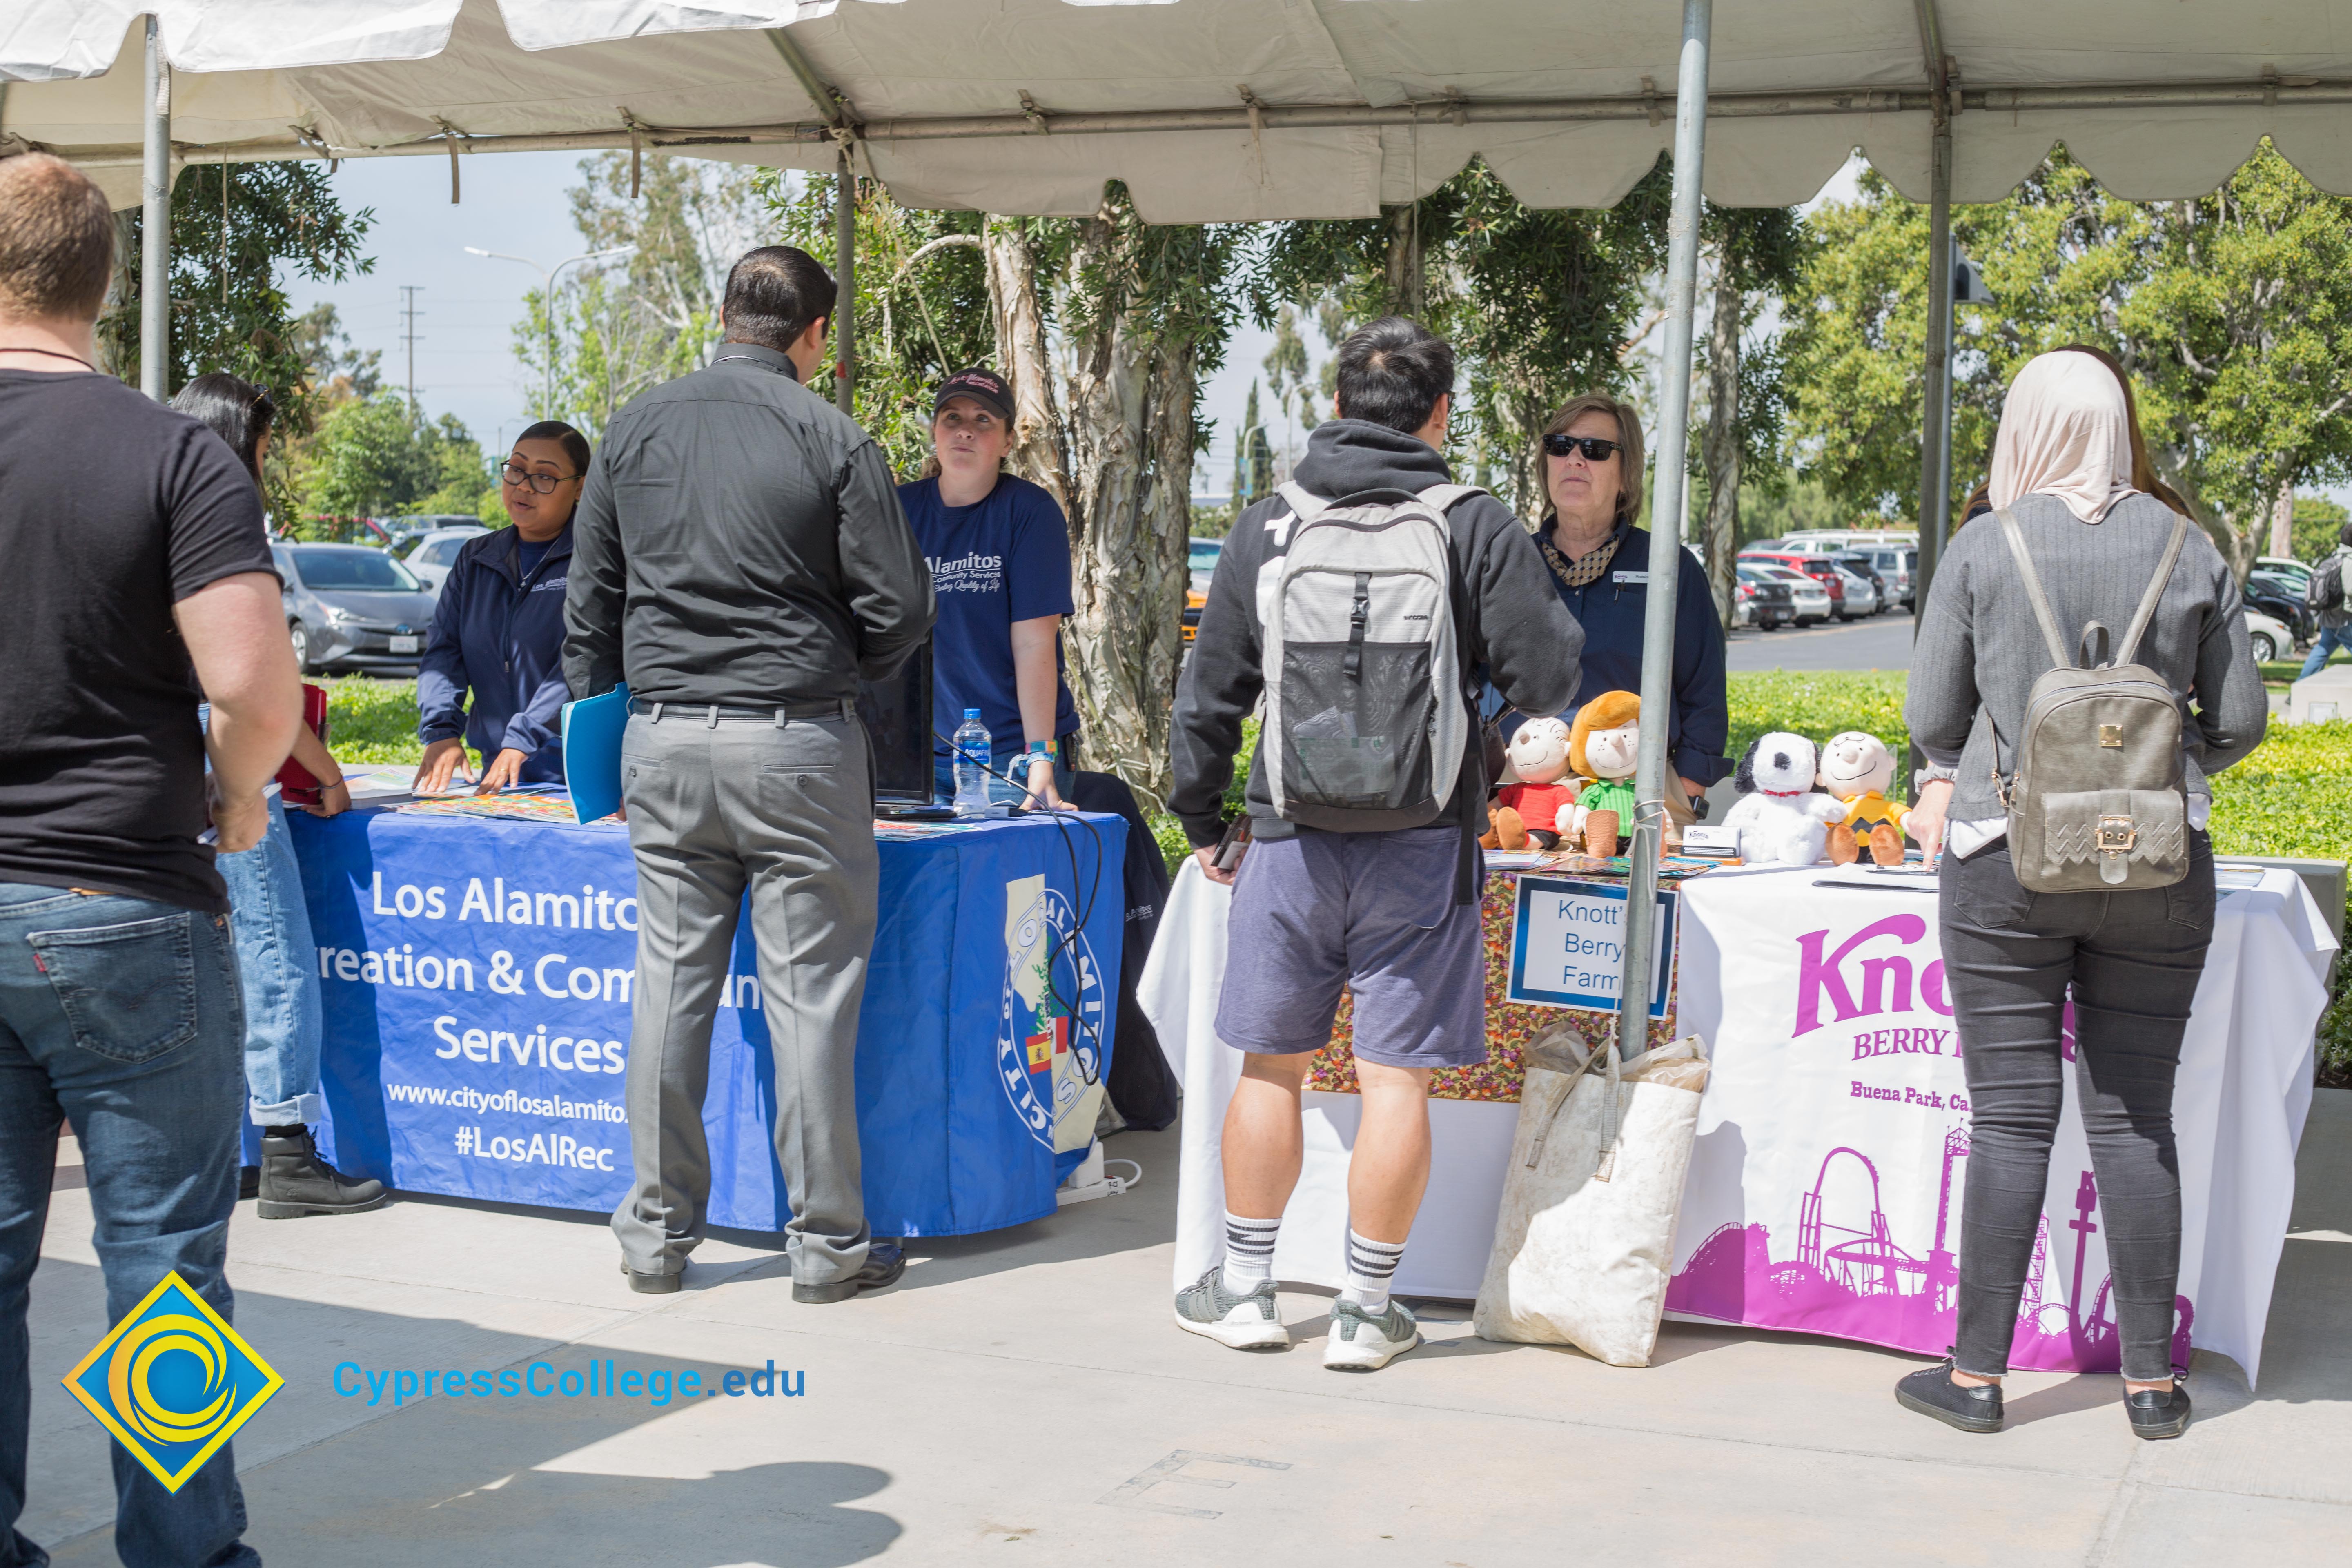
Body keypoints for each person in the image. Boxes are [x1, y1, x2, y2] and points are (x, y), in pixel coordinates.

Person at [1167, 317, 1583, 1370]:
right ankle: (1362, 1309)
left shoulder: (1269, 522)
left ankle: (1250, 1287)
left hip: (1288, 839)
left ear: (1339, 404)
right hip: (1419, 841)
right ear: (1440, 413)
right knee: (1395, 1078)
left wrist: (1207, 821)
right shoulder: (1469, 522)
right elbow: (1549, 674)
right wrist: (1476, 725)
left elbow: (1208, 694)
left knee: (1271, 1066)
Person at [0, 154, 296, 1568]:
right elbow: (254, 688)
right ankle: (184, 1555)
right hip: (122, 899)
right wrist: (238, 803)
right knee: (165, 1275)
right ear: (103, 284)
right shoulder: (170, 449)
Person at [1901, 349, 2267, 1440]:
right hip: (2157, 863)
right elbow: (2241, 719)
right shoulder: (2191, 545)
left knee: (2012, 1117)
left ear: (2026, 427)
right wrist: (2157, 757)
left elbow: (1931, 717)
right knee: (2135, 1116)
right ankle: (2152, 1386)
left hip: (2005, 860)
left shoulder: (1985, 545)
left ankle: (1975, 1377)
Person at [565, 246, 935, 1301]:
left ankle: (653, 1238)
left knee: (668, 992)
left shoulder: (635, 425)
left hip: (665, 742)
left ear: (724, 316)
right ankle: (826, 1248)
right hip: (796, 742)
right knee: (810, 1000)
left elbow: (588, 609)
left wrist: (614, 731)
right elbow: (902, 608)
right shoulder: (829, 434)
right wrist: (834, 678)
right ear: (814, 335)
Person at [170, 372, 386, 1219]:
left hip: (158, 760)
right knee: (275, 950)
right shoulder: (224, 524)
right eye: (261, 447)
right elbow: (257, 679)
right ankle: (291, 1147)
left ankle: (243, 1147)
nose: (265, 462)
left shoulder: (151, 512)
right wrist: (323, 769)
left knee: (213, 961)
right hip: (226, 754)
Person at [1515, 392, 1727, 820]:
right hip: (1523, 790)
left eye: (1594, 450)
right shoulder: (1510, 563)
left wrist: (1687, 787)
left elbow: (1703, 690)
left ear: (1626, 476)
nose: (1574, 460)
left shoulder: (1669, 567)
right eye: (1560, 446)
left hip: (1638, 790)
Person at [897, 368, 1077, 808]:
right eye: (952, 418)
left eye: (983, 421)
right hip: (915, 755)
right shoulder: (899, 510)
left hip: (1007, 756)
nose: (965, 431)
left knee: (1011, 880)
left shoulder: (1030, 513)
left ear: (1009, 441)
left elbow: (1035, 643)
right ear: (935, 431)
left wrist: (1040, 759)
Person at [414, 421, 590, 795]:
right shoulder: (476, 559)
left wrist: (523, 738)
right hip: (498, 776)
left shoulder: (595, 561)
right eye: (516, 469)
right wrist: (442, 731)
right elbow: (444, 653)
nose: (524, 486)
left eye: (545, 477)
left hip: (579, 779)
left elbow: (583, 659)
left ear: (580, 487)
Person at [2298, 519, 2352, 678]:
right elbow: (2350, 589)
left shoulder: (2333, 558)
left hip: (2329, 618)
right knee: (2321, 652)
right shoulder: (2349, 561)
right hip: (2345, 619)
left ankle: (2299, 688)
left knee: (2321, 652)